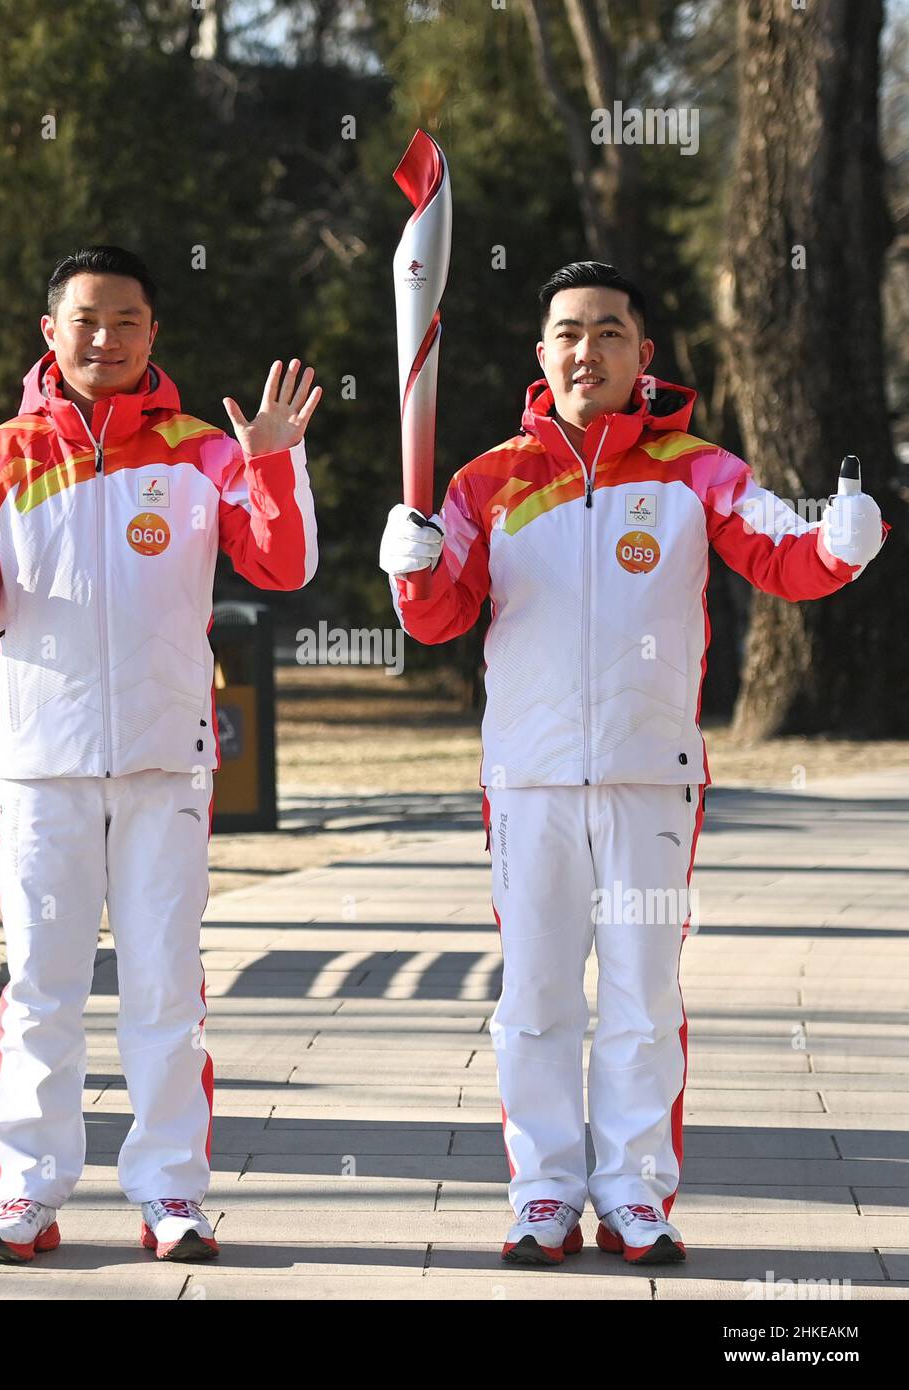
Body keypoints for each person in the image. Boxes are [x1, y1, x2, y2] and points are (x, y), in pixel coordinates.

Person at [379, 260, 889, 1268]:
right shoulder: (487, 480)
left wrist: (843, 544)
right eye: (569, 332)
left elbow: (782, 553)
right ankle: (543, 1193)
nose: (588, 350)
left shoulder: (699, 471)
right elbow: (441, 618)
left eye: (609, 333)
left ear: (642, 355)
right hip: (528, 782)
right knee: (534, 998)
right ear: (542, 355)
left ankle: (635, 1192)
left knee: (644, 994)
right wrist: (412, 568)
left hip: (652, 778)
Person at [0, 245, 320, 1264]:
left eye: (126, 320)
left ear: (152, 334)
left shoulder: (203, 451)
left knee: (165, 986)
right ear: (52, 334)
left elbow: (285, 560)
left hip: (163, 763)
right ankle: (28, 1196)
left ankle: (171, 1193)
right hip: (42, 764)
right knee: (42, 984)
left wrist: (271, 458)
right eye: (85, 320)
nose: (106, 337)